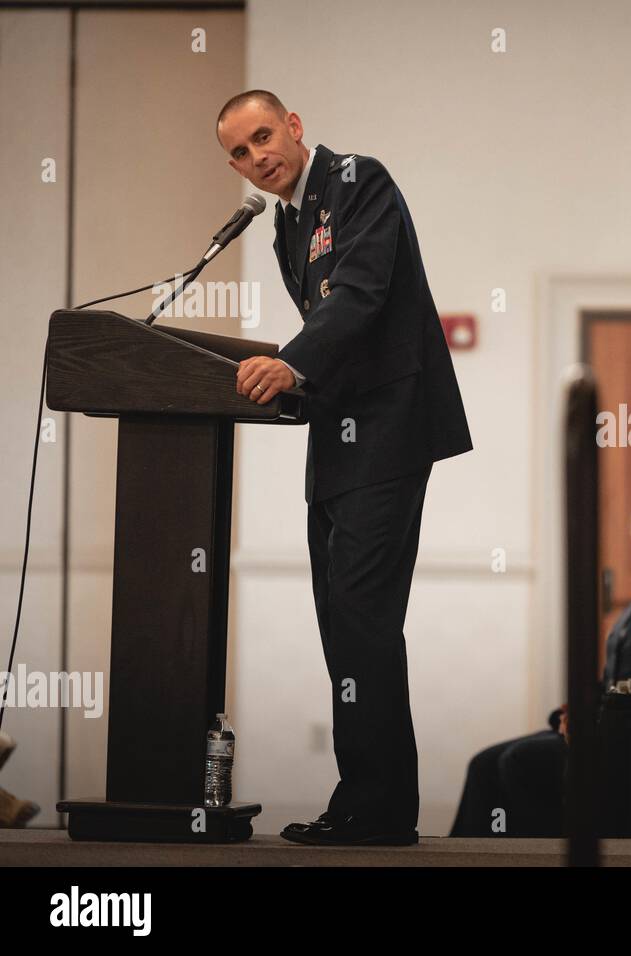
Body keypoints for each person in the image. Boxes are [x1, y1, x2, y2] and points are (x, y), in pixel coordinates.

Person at [216, 91, 473, 846]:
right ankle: (364, 798)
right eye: (238, 151)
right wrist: (295, 381)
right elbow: (334, 323)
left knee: (363, 621)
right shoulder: (286, 222)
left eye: (263, 136)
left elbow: (359, 298)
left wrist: (289, 366)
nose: (256, 156)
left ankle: (379, 807)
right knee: (343, 628)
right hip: (335, 442)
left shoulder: (360, 181)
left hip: (389, 435)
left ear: (293, 127)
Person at [448, 500, 631, 837]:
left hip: (628, 731)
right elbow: (609, 680)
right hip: (598, 720)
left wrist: (593, 717)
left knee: (519, 761)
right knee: (483, 763)